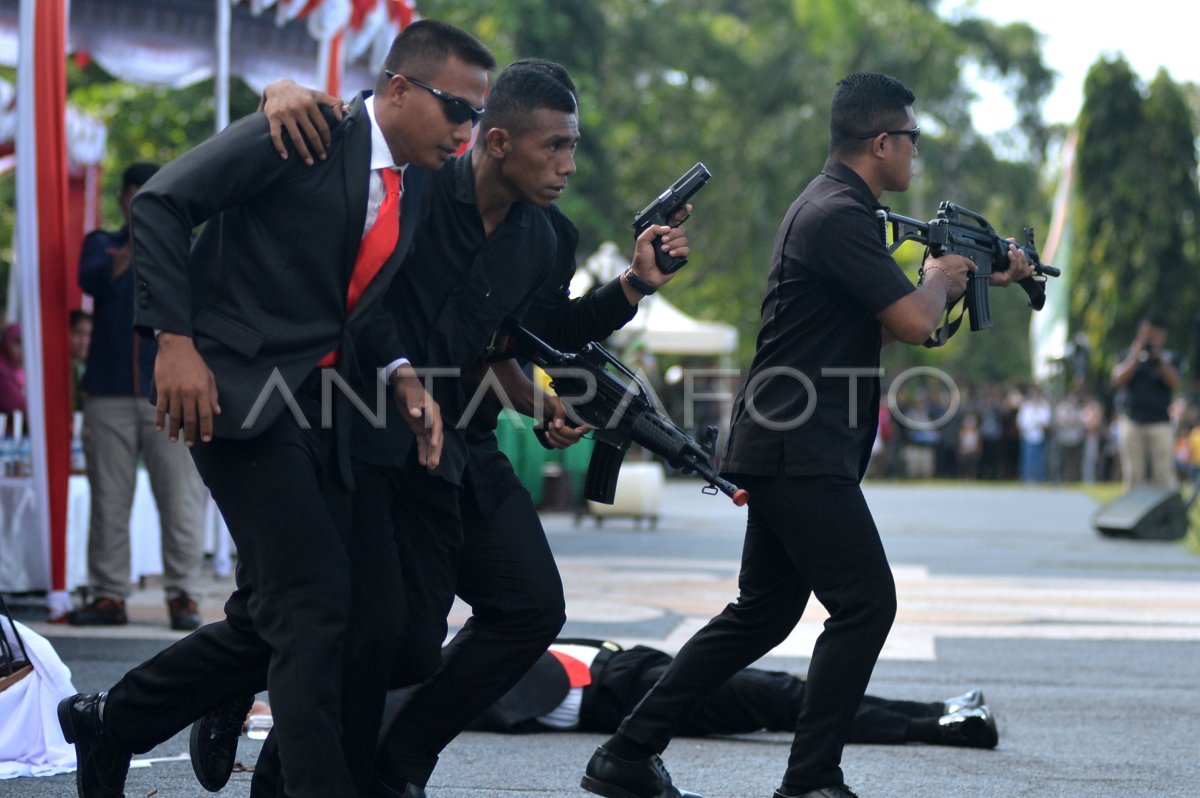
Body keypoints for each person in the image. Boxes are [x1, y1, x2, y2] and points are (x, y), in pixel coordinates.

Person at [190, 59, 691, 798]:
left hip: (465, 444)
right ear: (495, 143)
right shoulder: (415, 189)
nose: (568, 165)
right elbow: (353, 249)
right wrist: (282, 90)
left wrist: (632, 287)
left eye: (573, 146)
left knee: (526, 612)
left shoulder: (551, 237)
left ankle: (397, 766)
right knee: (371, 638)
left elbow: (539, 331)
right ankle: (278, 741)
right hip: (364, 437)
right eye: (554, 146)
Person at [55, 20, 491, 798]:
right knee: (315, 607)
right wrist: (174, 342)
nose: (466, 128)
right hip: (232, 395)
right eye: (457, 108)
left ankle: (111, 720)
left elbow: (360, 301)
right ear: (398, 89)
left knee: (304, 614)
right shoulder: (304, 129)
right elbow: (161, 203)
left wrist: (401, 375)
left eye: (476, 116)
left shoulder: (416, 183)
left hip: (322, 414)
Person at [579, 72, 1033, 798]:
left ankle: (626, 754)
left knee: (762, 611)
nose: (916, 153)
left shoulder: (841, 207)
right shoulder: (839, 215)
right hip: (799, 444)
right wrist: (945, 279)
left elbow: (897, 316)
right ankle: (811, 781)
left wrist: (976, 273)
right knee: (866, 603)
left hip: (789, 439)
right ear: (880, 142)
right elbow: (915, 321)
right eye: (911, 140)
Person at [70, 163, 208, 630]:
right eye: (138, 195)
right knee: (109, 497)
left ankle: (183, 594)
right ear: (123, 199)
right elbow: (91, 281)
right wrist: (138, 239)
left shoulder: (189, 247)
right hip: (107, 391)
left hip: (170, 392)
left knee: (180, 495)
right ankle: (109, 595)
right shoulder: (102, 243)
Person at [458, 640, 997, 750]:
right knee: (783, 699)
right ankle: (937, 727)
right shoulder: (446, 676)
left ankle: (936, 710)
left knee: (787, 691)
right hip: (624, 694)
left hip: (628, 667)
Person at [1110, 316, 1181, 489]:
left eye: (1154, 335)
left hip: (1160, 421)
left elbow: (1175, 382)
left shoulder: (1169, 357)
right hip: (1132, 420)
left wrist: (1159, 359)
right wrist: (1135, 357)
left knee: (1163, 474)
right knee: (1134, 474)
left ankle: (1163, 513)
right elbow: (1117, 379)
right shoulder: (1129, 355)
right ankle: (1132, 512)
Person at [69, 310, 92, 415]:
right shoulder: (68, 367)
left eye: (89, 335)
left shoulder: (91, 368)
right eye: (78, 333)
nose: (84, 341)